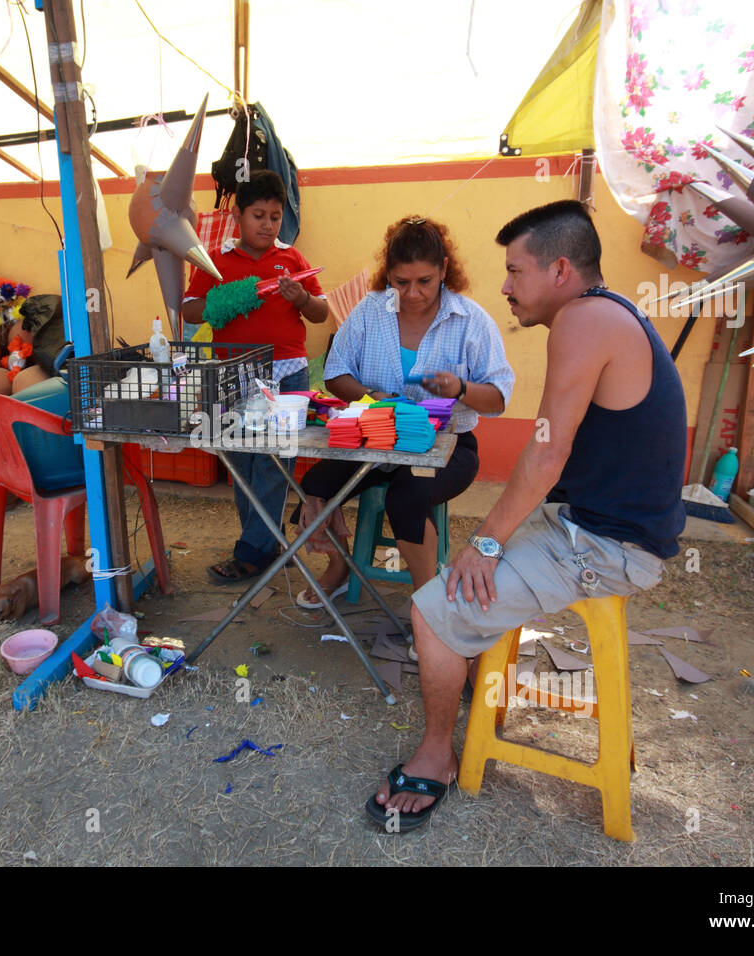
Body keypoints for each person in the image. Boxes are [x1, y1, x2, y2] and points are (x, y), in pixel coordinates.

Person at [367, 200, 686, 831]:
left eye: (515, 271)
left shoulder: (585, 320)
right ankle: (475, 680)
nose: (506, 288)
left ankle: (437, 756)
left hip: (607, 544)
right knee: (470, 574)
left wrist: (484, 544)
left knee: (431, 610)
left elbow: (545, 450)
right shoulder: (609, 312)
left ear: (561, 269)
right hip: (592, 524)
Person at [290, 216, 514, 609]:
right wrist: (376, 396)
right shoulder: (370, 311)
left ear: (444, 269)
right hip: (376, 434)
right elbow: (336, 373)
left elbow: (498, 397)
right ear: (388, 275)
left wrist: (460, 389)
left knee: (407, 498)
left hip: (450, 447)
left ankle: (429, 605)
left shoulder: (470, 320)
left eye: (425, 281)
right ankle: (340, 568)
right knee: (317, 485)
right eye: (401, 282)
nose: (412, 294)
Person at [182, 170, 329, 584]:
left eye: (275, 216)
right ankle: (267, 540)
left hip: (287, 375)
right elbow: (190, 311)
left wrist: (300, 297)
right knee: (241, 462)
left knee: (275, 462)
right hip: (234, 375)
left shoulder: (292, 260)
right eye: (258, 215)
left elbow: (320, 312)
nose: (267, 225)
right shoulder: (216, 260)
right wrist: (232, 295)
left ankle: (252, 551)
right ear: (237, 217)